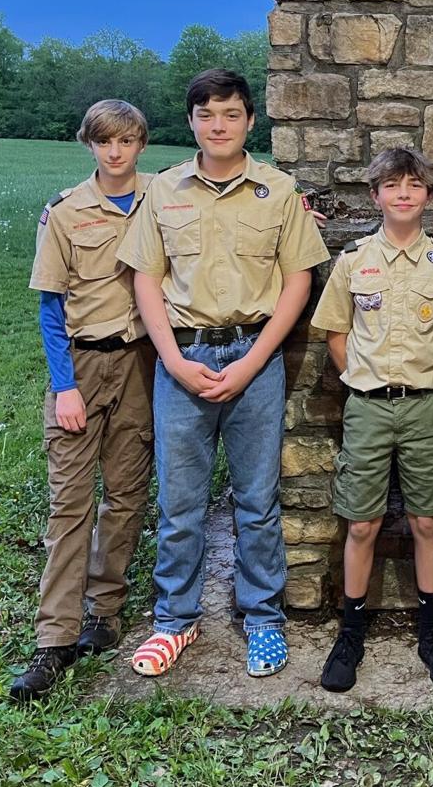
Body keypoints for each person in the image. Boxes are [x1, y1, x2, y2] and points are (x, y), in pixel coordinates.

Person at [116, 69, 328, 679]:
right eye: (207, 115)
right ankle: (174, 620)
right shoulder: (164, 191)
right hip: (181, 358)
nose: (218, 125)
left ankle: (261, 617)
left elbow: (298, 279)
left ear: (249, 121)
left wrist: (254, 360)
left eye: (230, 114)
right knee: (180, 501)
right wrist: (173, 360)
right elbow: (145, 279)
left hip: (253, 358)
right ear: (191, 122)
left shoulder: (279, 191)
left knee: (257, 500)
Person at [11, 100, 157, 701]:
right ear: (89, 146)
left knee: (125, 496)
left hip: (144, 362)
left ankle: (105, 610)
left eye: (125, 141)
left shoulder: (165, 195)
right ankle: (55, 638)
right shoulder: (66, 212)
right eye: (104, 143)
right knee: (71, 503)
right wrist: (64, 383)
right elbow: (50, 306)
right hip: (82, 362)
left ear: (141, 145)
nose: (115, 152)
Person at [312, 148, 433, 693]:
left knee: (428, 521)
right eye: (392, 186)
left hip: (424, 405)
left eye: (414, 186)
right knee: (361, 521)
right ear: (375, 195)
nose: (403, 194)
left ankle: (431, 631)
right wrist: (358, 373)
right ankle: (350, 633)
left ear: (429, 195)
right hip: (368, 406)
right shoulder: (353, 260)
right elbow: (335, 330)